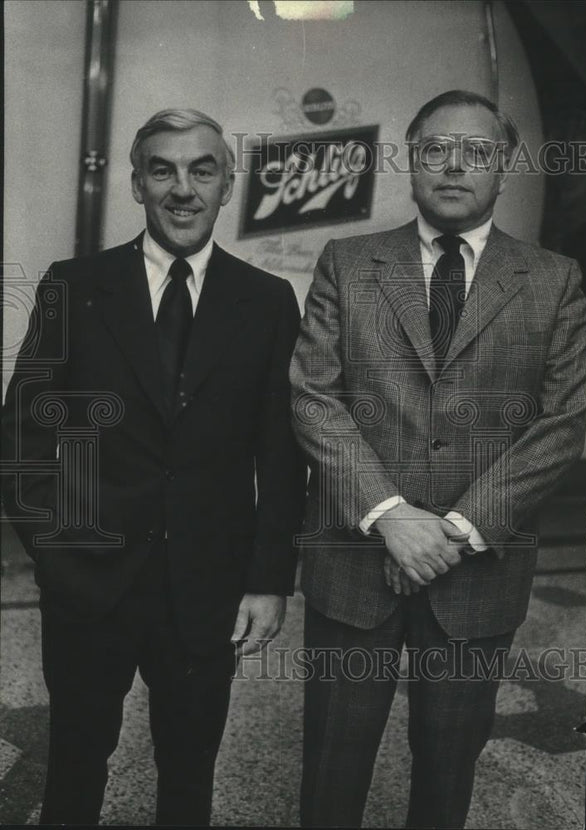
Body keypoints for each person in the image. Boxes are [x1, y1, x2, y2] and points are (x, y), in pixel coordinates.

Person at [290, 90, 586, 828]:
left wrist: (451, 531)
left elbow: (562, 422)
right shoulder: (348, 263)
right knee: (331, 771)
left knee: (449, 772)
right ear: (411, 159)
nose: (454, 166)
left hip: (478, 574)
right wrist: (392, 517)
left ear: (504, 166)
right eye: (435, 149)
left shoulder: (554, 281)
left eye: (478, 152)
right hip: (354, 564)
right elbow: (312, 398)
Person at [2, 108, 305, 825]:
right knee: (73, 766)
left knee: (189, 774)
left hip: (207, 590)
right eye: (162, 170)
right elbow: (22, 438)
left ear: (227, 185)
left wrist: (269, 581)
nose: (182, 188)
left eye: (202, 169)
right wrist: (60, 554)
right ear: (136, 184)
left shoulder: (266, 302)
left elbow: (283, 454)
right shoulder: (73, 286)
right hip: (89, 585)